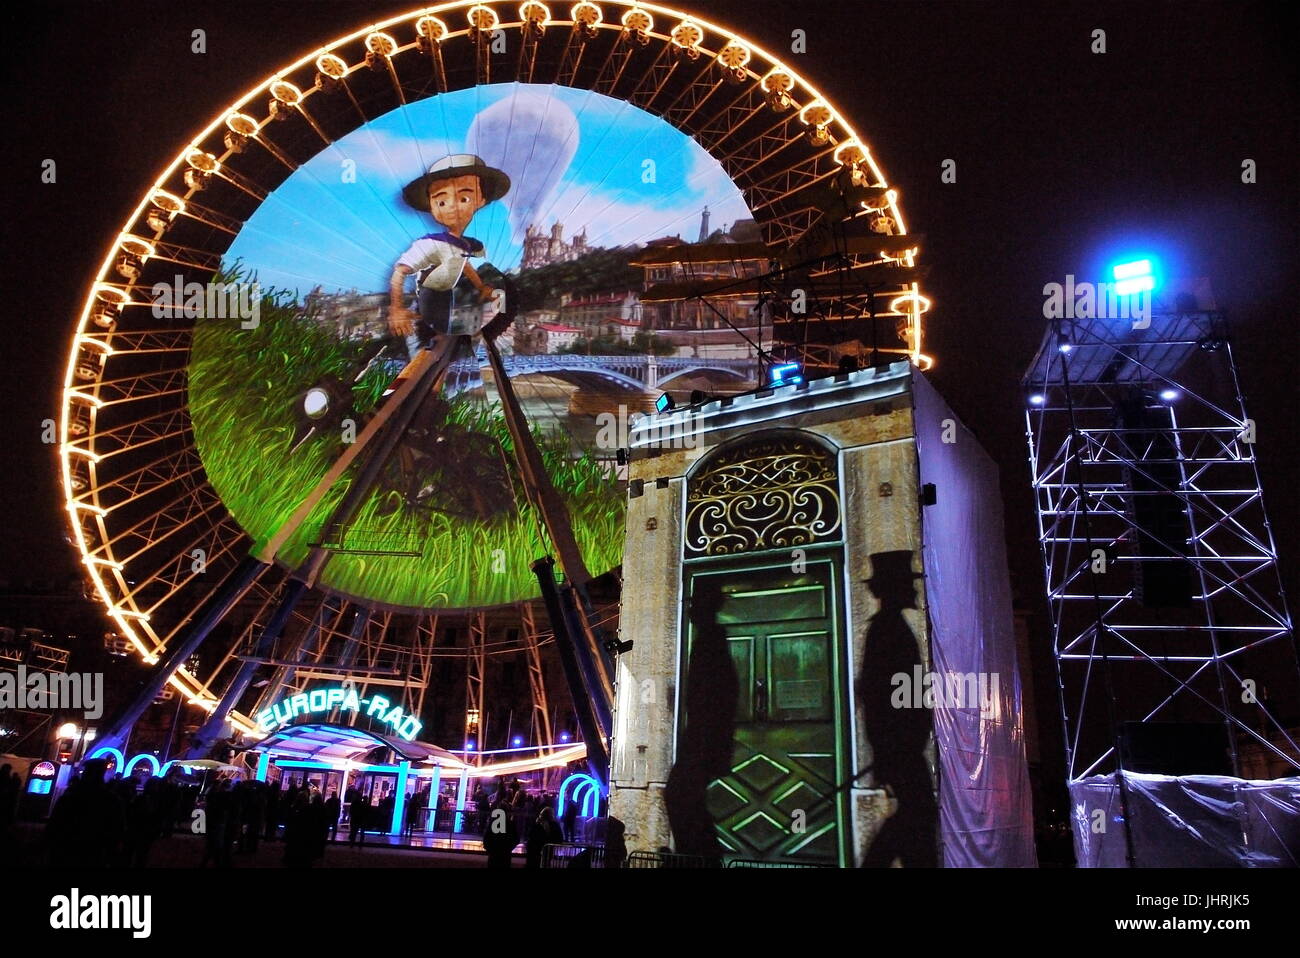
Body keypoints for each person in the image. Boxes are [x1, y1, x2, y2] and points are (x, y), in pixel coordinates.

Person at [388, 154, 510, 352]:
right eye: (441, 202)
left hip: (446, 302)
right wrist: (396, 308)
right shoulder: (429, 244)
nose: (452, 206)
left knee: (445, 347)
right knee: (427, 353)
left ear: (480, 200)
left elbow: (463, 264)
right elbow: (400, 272)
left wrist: (480, 287)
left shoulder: (466, 245)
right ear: (431, 206)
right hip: (430, 302)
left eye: (464, 198)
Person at [482, 798, 518, 870]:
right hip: (505, 854)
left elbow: (487, 837)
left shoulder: (493, 822)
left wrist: (489, 849)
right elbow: (516, 838)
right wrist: (509, 848)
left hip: (494, 853)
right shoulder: (509, 823)